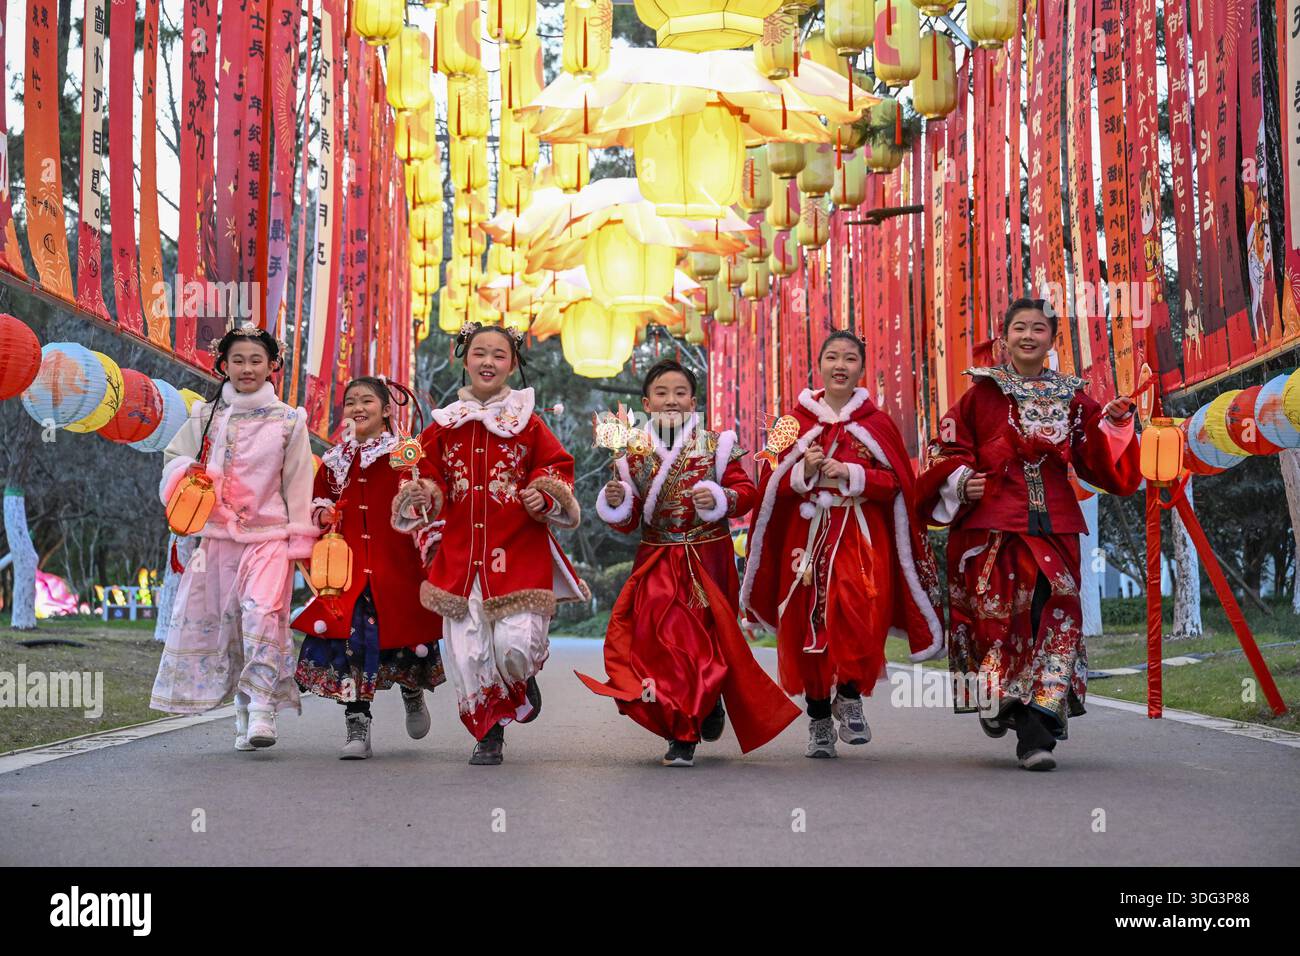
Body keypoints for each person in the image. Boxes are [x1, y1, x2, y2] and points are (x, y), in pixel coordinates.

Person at [915, 298, 1140, 771]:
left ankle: (1037, 724)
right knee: (998, 622)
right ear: (1005, 337)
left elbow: (1097, 460)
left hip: (1055, 526)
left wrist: (1116, 422)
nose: (1028, 336)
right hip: (995, 527)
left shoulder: (1075, 398)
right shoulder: (981, 395)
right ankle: (1006, 706)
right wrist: (962, 480)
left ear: (1052, 339)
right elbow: (946, 448)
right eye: (1019, 327)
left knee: (1053, 614)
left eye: (1038, 328)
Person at [577, 360, 800, 767]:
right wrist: (616, 502)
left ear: (693, 402)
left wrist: (718, 498)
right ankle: (682, 729)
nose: (671, 400)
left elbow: (745, 492)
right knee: (664, 646)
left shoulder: (715, 444)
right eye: (661, 393)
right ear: (647, 402)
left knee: (703, 645)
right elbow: (628, 523)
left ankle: (705, 703)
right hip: (657, 559)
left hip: (707, 560)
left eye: (680, 393)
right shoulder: (630, 454)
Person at [741, 330, 946, 759]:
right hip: (806, 537)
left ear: (861, 368)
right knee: (808, 620)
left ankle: (849, 697)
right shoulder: (789, 424)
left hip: (859, 537)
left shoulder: (878, 423)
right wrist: (806, 472)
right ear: (819, 363)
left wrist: (854, 474)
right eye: (832, 356)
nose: (840, 365)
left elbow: (897, 485)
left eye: (850, 358)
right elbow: (768, 484)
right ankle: (818, 718)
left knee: (859, 613)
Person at [393, 323, 587, 765]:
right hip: (460, 557)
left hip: (516, 551)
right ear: (463, 359)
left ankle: (521, 680)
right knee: (467, 652)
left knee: (514, 648)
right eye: (479, 353)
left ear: (512, 364)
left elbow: (555, 465)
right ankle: (489, 733)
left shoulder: (528, 422)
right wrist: (422, 493)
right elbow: (424, 475)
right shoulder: (444, 425)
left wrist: (545, 491)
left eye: (499, 355)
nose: (487, 362)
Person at [151, 324, 318, 750]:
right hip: (217, 539)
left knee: (263, 612)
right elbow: (175, 459)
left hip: (269, 536)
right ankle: (241, 706)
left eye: (256, 360)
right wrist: (187, 474)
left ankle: (263, 708)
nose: (247, 368)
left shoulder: (288, 420)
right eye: (238, 360)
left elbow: (298, 483)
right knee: (224, 625)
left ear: (272, 365)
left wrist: (301, 542)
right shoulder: (205, 416)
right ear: (223, 365)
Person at [292, 377, 446, 759]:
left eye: (367, 401)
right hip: (349, 569)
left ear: (387, 410)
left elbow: (429, 498)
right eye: (350, 402)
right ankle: (357, 722)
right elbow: (318, 499)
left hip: (397, 564)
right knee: (351, 646)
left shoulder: (406, 451)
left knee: (406, 638)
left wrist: (419, 495)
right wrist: (323, 512)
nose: (358, 408)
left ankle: (412, 692)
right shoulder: (334, 459)